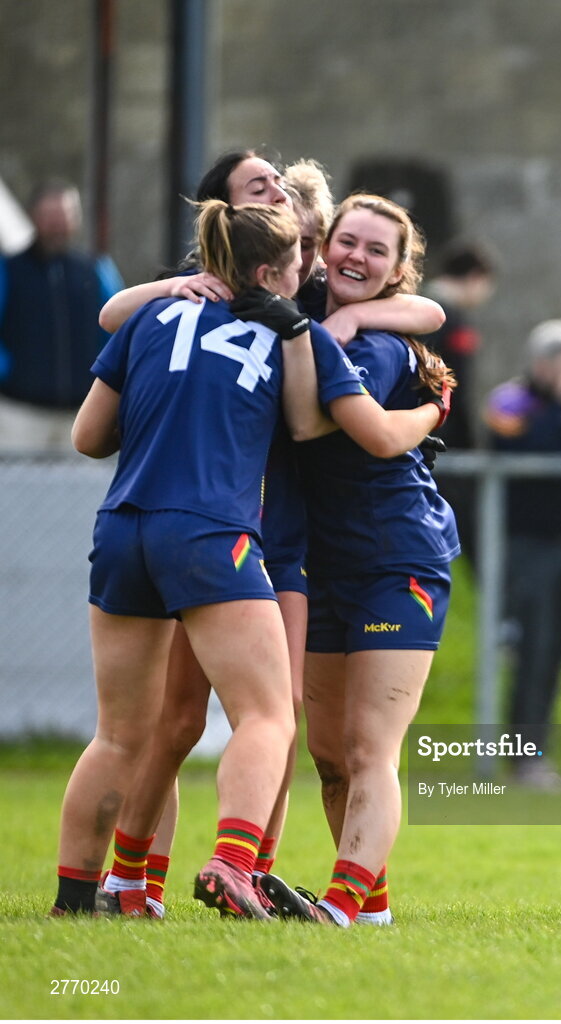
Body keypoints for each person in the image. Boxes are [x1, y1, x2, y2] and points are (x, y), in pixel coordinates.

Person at [93, 151, 445, 918]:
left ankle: (301, 889)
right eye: (262, 190)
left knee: (326, 739)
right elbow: (114, 315)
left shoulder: (320, 310)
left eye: (368, 248)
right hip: (239, 535)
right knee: (201, 724)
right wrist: (174, 288)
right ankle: (134, 881)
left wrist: (357, 334)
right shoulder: (217, 295)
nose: (343, 256)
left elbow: (425, 322)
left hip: (335, 550)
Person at [52, 199, 307, 918]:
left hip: (124, 527)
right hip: (209, 531)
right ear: (266, 274)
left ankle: (75, 901)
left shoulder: (150, 316)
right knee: (266, 715)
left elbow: (87, 436)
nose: (300, 277)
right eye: (294, 267)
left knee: (119, 734)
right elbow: (310, 425)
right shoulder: (277, 333)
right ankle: (232, 863)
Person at [257, 192, 459, 927]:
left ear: (398, 269)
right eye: (348, 241)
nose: (356, 258)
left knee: (371, 746)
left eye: (377, 251)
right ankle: (368, 908)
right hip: (322, 563)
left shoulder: (371, 345)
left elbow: (322, 426)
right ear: (322, 245)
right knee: (330, 753)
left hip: (397, 557)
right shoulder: (306, 307)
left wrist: (427, 406)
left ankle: (338, 907)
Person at [484, 319, 561, 791]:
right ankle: (521, 756)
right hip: (524, 546)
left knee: (556, 649)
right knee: (531, 648)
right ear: (546, 363)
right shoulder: (512, 401)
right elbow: (520, 447)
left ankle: (539, 747)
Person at [0, 179, 124, 451]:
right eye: (50, 216)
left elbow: (118, 331)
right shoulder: (9, 269)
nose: (57, 224)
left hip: (80, 413)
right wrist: (9, 373)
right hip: (21, 411)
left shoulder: (95, 269)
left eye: (64, 215)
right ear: (35, 216)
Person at [422, 239, 498, 568]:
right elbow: (456, 389)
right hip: (447, 445)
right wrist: (470, 444)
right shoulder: (450, 321)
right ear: (475, 277)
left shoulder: (418, 310)